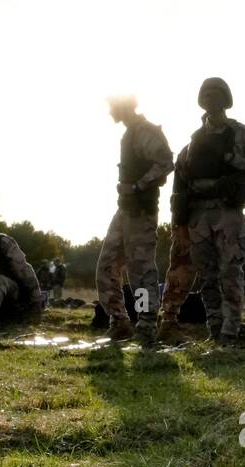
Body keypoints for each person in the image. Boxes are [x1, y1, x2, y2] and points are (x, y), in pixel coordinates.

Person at [170, 77, 245, 347]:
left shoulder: (240, 133)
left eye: (217, 95)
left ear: (226, 99)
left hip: (227, 212)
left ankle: (231, 330)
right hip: (198, 214)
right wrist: (178, 221)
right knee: (208, 276)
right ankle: (215, 327)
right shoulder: (193, 141)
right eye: (208, 95)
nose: (212, 100)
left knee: (231, 273)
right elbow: (180, 182)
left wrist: (229, 157)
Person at [95, 94, 174, 344]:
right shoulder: (130, 134)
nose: (110, 113)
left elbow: (165, 163)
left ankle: (146, 324)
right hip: (125, 211)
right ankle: (119, 322)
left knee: (140, 272)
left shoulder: (145, 132)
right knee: (106, 266)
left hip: (141, 213)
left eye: (112, 108)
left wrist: (139, 186)